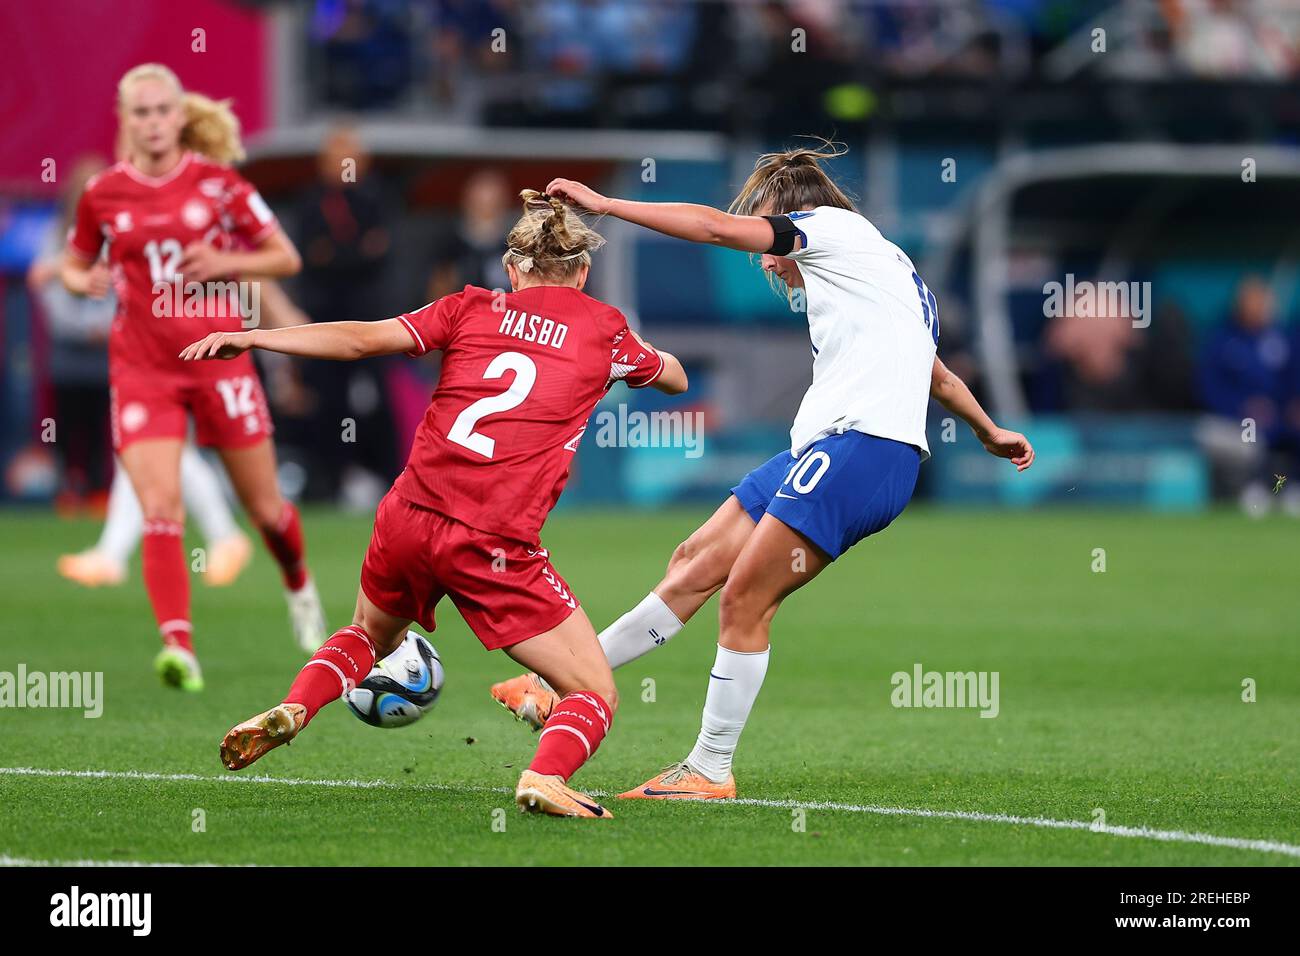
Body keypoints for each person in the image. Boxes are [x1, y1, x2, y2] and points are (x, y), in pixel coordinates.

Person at [492, 142, 1034, 799]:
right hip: (830, 450)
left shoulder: (832, 231)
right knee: (695, 559)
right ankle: (558, 688)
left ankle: (709, 768)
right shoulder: (885, 269)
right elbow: (937, 373)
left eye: (769, 227)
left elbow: (717, 228)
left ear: (796, 213)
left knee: (745, 596)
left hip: (862, 452)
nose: (765, 251)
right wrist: (988, 428)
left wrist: (607, 205)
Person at [182, 190, 688, 819]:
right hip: (493, 542)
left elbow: (363, 341)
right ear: (583, 272)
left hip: (409, 514)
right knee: (592, 691)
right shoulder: (603, 327)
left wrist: (258, 338)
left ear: (511, 269)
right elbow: (674, 378)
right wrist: (626, 354)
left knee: (367, 633)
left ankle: (296, 705)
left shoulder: (471, 306)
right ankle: (543, 777)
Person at [61, 63, 327, 691]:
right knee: (160, 507)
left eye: (161, 111)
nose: (152, 123)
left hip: (218, 358)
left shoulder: (219, 185)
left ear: (180, 117)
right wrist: (86, 279)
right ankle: (179, 646)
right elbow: (73, 265)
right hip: (142, 369)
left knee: (265, 509)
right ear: (125, 121)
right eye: (140, 113)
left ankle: (301, 590)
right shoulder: (102, 193)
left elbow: (283, 256)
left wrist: (225, 260)